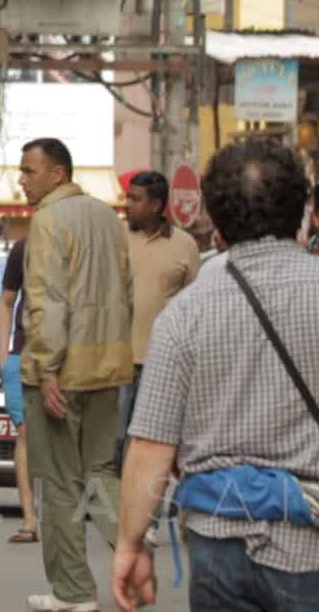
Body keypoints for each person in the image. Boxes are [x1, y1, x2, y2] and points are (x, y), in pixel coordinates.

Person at [110, 140, 319, 612]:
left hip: (218, 549)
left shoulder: (184, 314)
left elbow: (152, 446)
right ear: (302, 212)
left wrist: (132, 545)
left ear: (217, 220)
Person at [17, 137, 133, 612]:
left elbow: (47, 301)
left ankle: (73, 591)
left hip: (61, 371)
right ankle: (135, 565)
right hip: (108, 367)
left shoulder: (48, 220)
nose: (22, 180)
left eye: (29, 171)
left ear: (57, 174)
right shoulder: (109, 218)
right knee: (102, 474)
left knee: (60, 485)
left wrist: (47, 369)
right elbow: (126, 291)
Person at [121, 171, 198, 446]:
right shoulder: (117, 237)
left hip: (162, 361)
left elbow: (193, 306)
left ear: (155, 205)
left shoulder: (185, 245)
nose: (127, 204)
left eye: (135, 199)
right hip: (118, 359)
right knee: (115, 440)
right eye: (128, 197)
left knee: (149, 440)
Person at [0, 223, 39, 546]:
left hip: (69, 354)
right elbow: (7, 300)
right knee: (24, 433)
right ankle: (29, 518)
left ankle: (62, 515)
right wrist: (3, 353)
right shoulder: (23, 248)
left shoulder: (76, 246)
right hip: (23, 353)